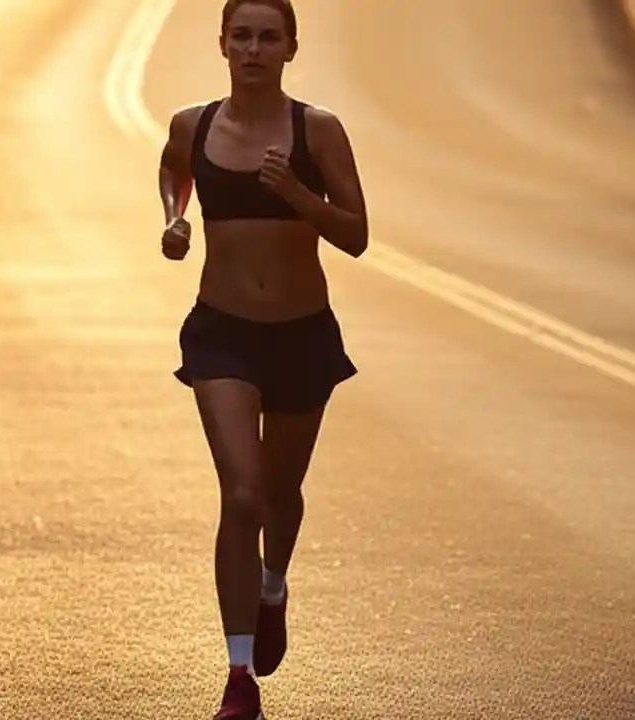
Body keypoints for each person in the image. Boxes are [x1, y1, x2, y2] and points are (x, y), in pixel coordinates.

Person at [157, 0, 369, 717]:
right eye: (241, 36)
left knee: (280, 496)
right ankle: (238, 676)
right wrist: (175, 219)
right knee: (242, 495)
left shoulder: (317, 130)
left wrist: (297, 194)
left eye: (267, 37)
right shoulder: (196, 125)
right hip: (221, 334)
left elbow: (357, 234)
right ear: (222, 45)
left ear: (290, 48)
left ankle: (272, 585)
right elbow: (171, 169)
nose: (253, 48)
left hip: (302, 336)